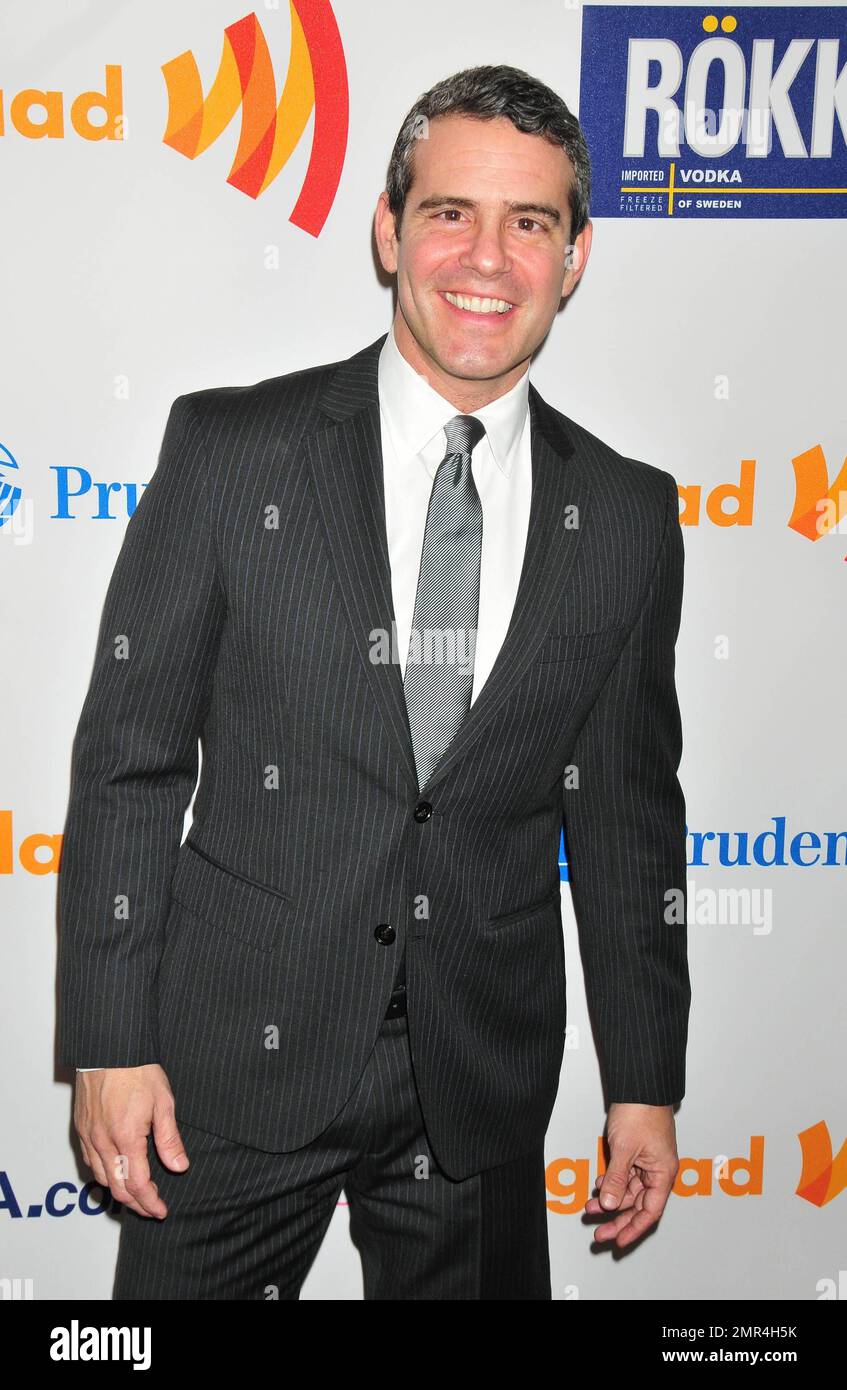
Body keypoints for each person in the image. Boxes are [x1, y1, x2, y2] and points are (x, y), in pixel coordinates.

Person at [57, 63, 690, 1301]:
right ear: (389, 229)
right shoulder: (232, 451)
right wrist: (108, 1041)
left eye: (531, 223)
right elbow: (130, 760)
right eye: (452, 212)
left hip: (471, 1084)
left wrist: (644, 1083)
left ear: (574, 257)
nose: (487, 259)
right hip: (230, 1069)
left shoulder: (625, 513)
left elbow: (626, 823)